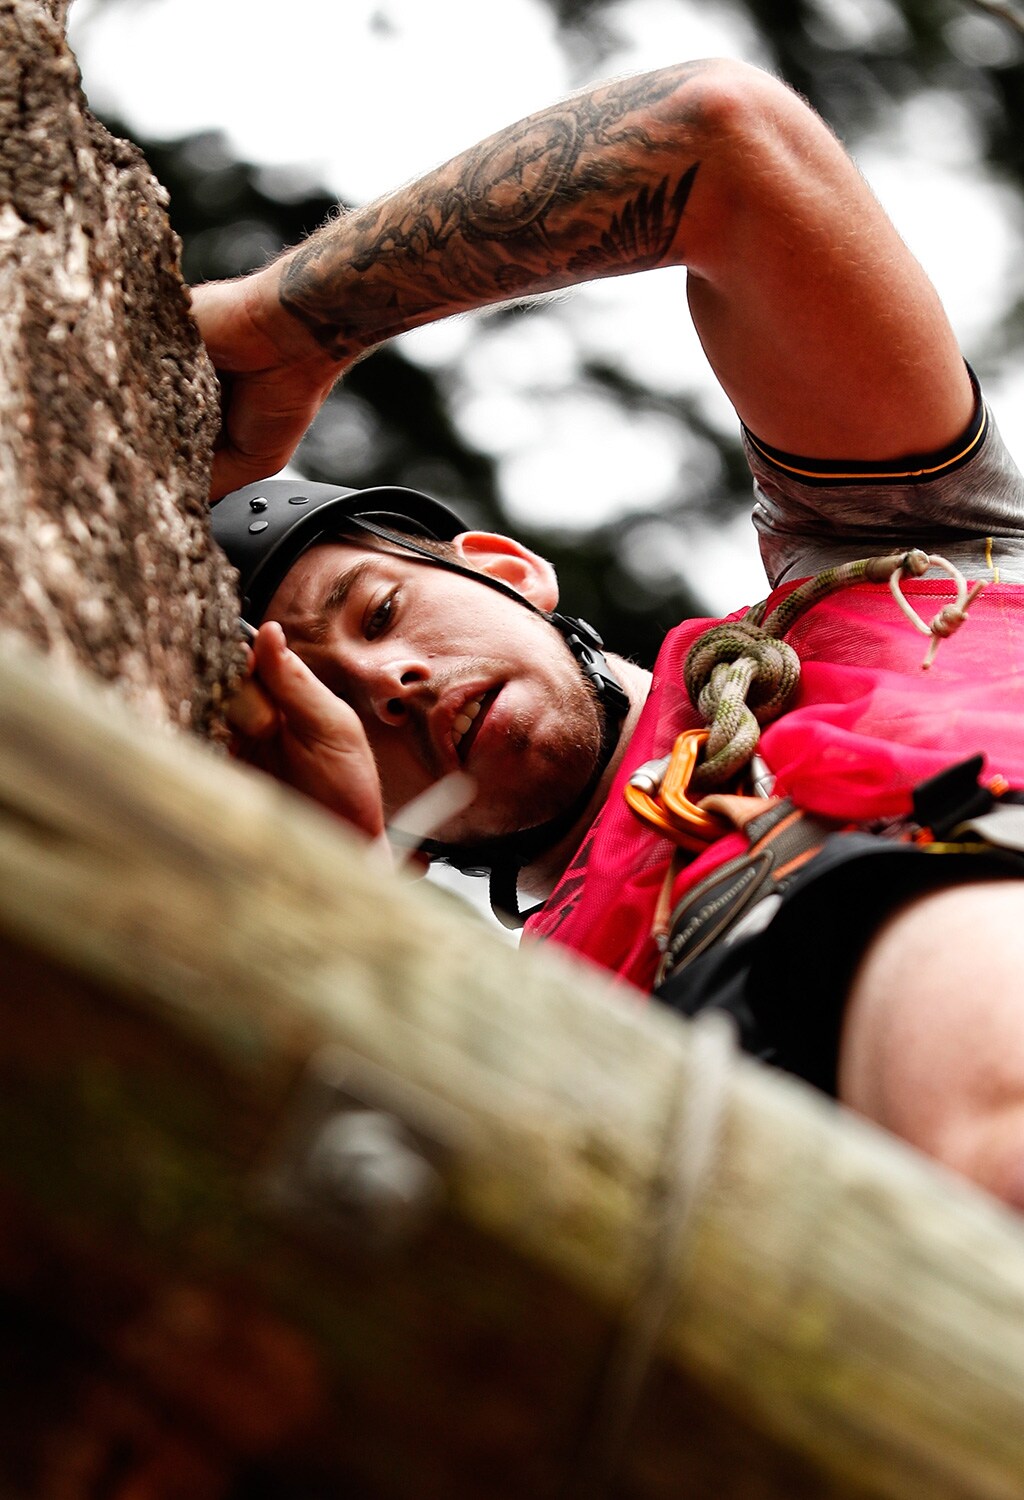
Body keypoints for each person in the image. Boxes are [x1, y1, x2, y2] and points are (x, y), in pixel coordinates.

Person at [192, 57, 1024, 1211]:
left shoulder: (904, 564)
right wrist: (335, 891)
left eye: (378, 613)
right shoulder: (502, 1060)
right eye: (324, 706)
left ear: (504, 567)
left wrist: (294, 328)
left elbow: (721, 144)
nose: (389, 682)